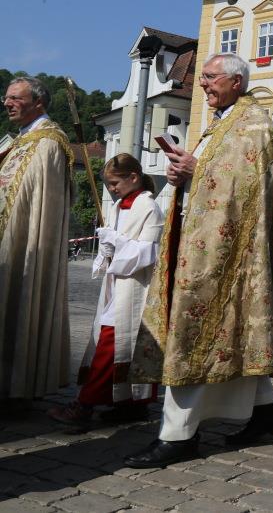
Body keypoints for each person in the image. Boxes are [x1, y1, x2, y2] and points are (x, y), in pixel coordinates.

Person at [126, 53, 273, 468]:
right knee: (234, 336)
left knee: (193, 334)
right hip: (199, 243)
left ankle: (178, 436)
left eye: (210, 77)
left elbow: (247, 183)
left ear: (236, 81)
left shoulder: (254, 125)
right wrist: (182, 174)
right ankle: (267, 413)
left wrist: (200, 167)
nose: (204, 84)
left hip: (224, 254)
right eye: (203, 77)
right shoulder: (221, 122)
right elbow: (213, 176)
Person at [48, 154, 163, 429]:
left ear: (133, 178)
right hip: (115, 284)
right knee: (109, 340)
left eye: (115, 183)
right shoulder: (117, 206)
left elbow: (149, 253)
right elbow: (113, 249)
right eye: (109, 184)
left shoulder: (149, 207)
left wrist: (118, 242)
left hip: (136, 287)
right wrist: (108, 248)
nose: (112, 189)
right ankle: (128, 406)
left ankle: (84, 406)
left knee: (113, 343)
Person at [0, 76, 73, 416]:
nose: (7, 102)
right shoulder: (22, 141)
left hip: (26, 248)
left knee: (20, 304)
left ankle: (20, 385)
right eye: (6, 97)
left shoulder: (48, 144)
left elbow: (44, 209)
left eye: (15, 97)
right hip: (7, 243)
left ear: (38, 103)